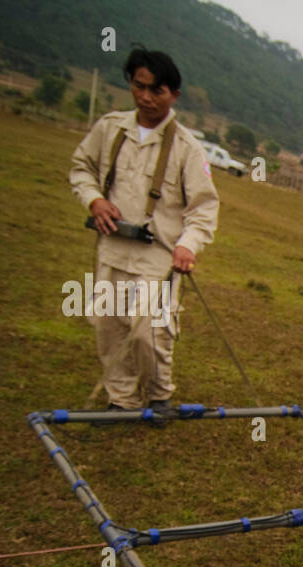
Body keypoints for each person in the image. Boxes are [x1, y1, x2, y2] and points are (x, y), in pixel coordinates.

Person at [69, 46, 219, 423]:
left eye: (157, 91)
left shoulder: (189, 148)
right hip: (112, 248)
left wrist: (188, 246)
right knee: (109, 327)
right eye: (139, 87)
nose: (146, 98)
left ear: (174, 95)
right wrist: (95, 201)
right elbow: (81, 169)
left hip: (159, 257)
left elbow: (204, 208)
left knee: (148, 332)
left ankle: (158, 395)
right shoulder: (109, 128)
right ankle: (121, 400)